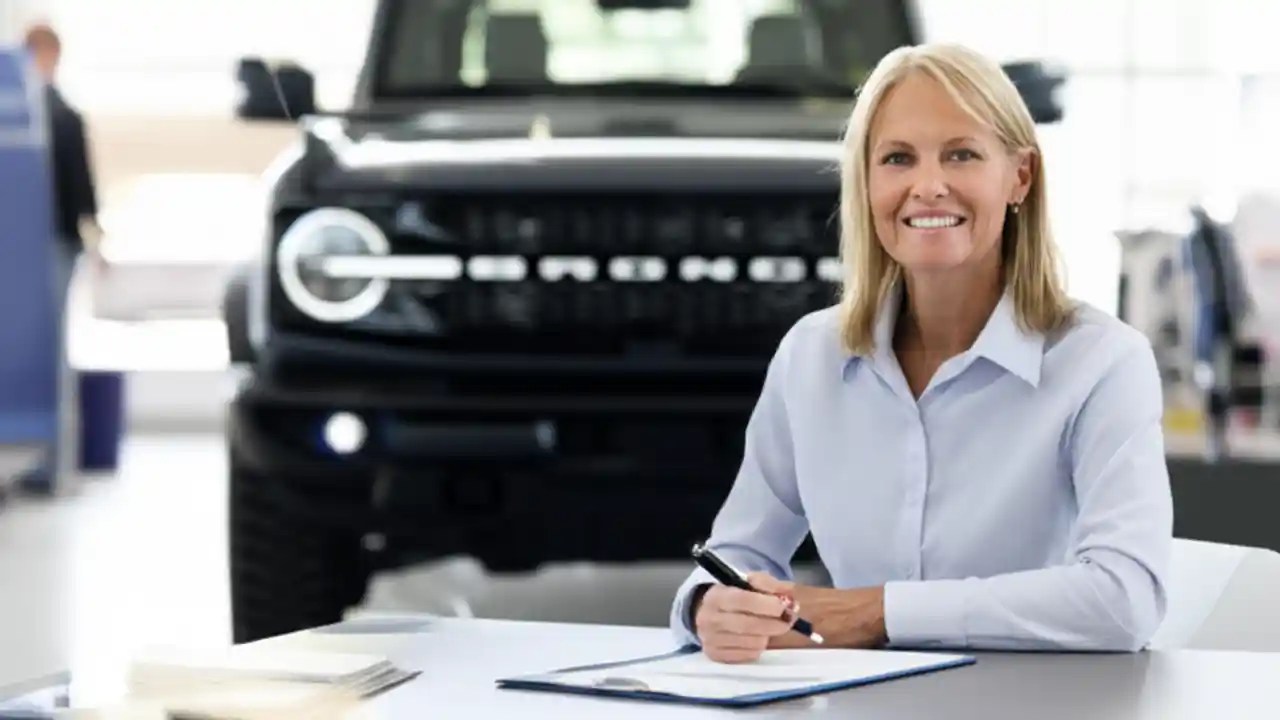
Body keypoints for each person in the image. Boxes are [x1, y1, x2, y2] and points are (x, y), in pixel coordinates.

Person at [669, 43, 1172, 663]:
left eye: (961, 154)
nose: (927, 187)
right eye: (897, 159)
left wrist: (875, 611)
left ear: (1020, 176)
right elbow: (735, 557)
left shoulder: (1102, 363)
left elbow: (1124, 601)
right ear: (866, 182)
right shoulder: (810, 356)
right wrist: (709, 609)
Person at [25, 21, 100, 292]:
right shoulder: (64, 116)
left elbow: (81, 183)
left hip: (45, 235)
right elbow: (82, 184)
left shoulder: (59, 115)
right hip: (56, 235)